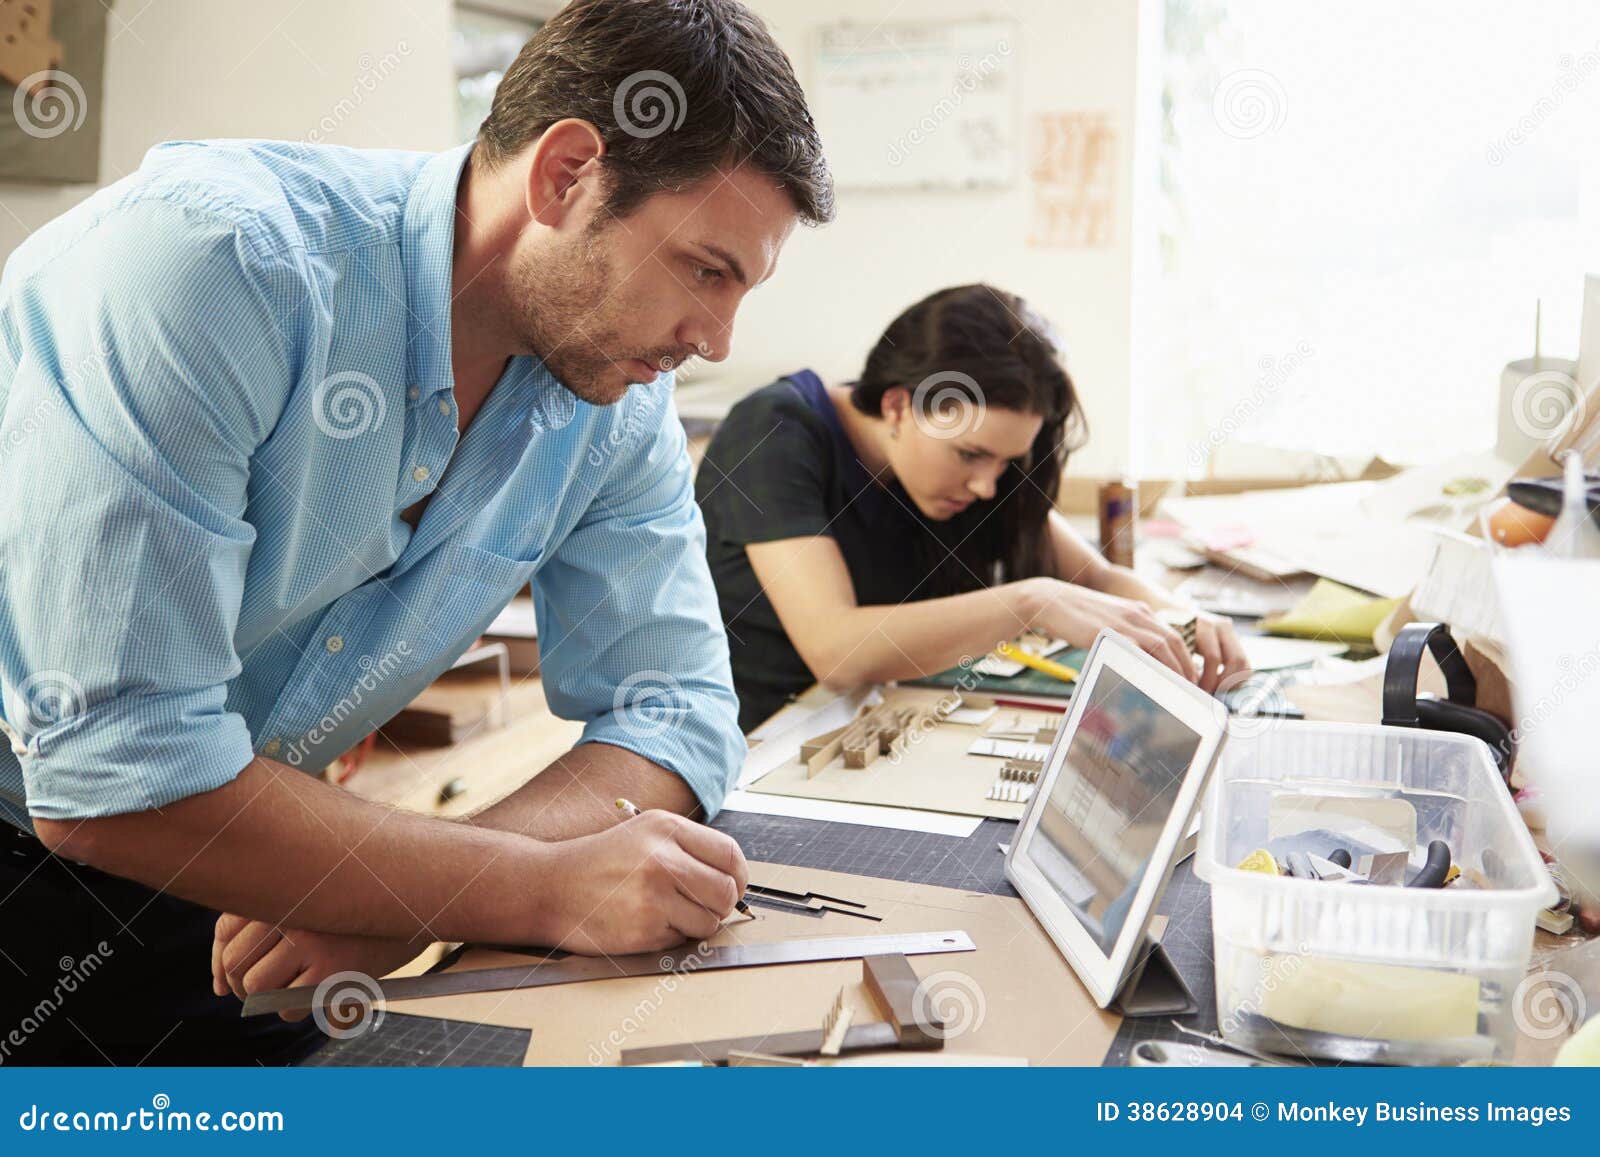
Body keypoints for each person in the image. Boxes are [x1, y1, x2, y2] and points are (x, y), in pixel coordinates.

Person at [0, 0, 832, 1064]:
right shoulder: (212, 263)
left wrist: (414, 887)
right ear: (565, 175)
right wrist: (522, 884)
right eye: (705, 270)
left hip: (264, 866)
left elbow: (678, 709)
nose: (716, 339)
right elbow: (116, 767)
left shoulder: (614, 405)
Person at [696, 285, 1249, 733]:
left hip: (888, 715)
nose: (987, 486)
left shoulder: (978, 469)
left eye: (1006, 462)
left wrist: (1183, 618)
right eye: (970, 455)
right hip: (767, 741)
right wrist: (1033, 602)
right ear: (897, 406)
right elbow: (836, 651)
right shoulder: (773, 433)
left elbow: (1095, 576)